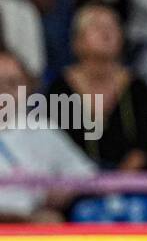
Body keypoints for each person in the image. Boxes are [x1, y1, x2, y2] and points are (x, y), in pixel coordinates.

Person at [46, 5, 147, 171]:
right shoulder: (60, 89)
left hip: (129, 184)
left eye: (113, 27)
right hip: (74, 185)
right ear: (78, 41)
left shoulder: (137, 87)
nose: (106, 32)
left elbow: (145, 143)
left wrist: (118, 182)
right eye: (96, 27)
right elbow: (54, 143)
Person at [0, 50, 95, 223]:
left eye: (12, 83)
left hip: (30, 222)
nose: (4, 91)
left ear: (28, 89)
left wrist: (63, 190)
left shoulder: (43, 130)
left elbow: (84, 172)